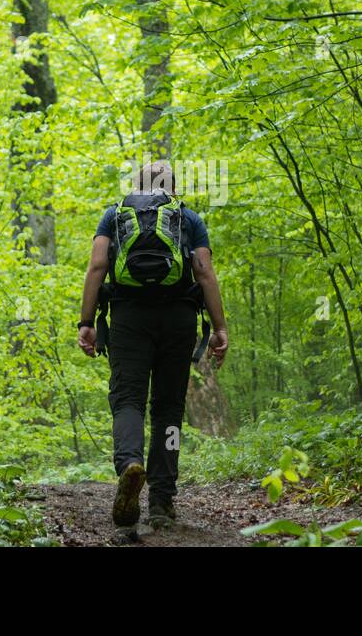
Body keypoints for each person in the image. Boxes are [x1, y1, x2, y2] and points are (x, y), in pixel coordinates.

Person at [77, 160, 228, 527]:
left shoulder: (114, 215)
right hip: (178, 319)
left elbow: (97, 267)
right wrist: (220, 327)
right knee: (169, 409)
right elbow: (204, 272)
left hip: (129, 317)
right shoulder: (188, 219)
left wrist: (86, 321)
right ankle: (162, 499)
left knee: (128, 398)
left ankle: (130, 463)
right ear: (171, 187)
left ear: (137, 186)